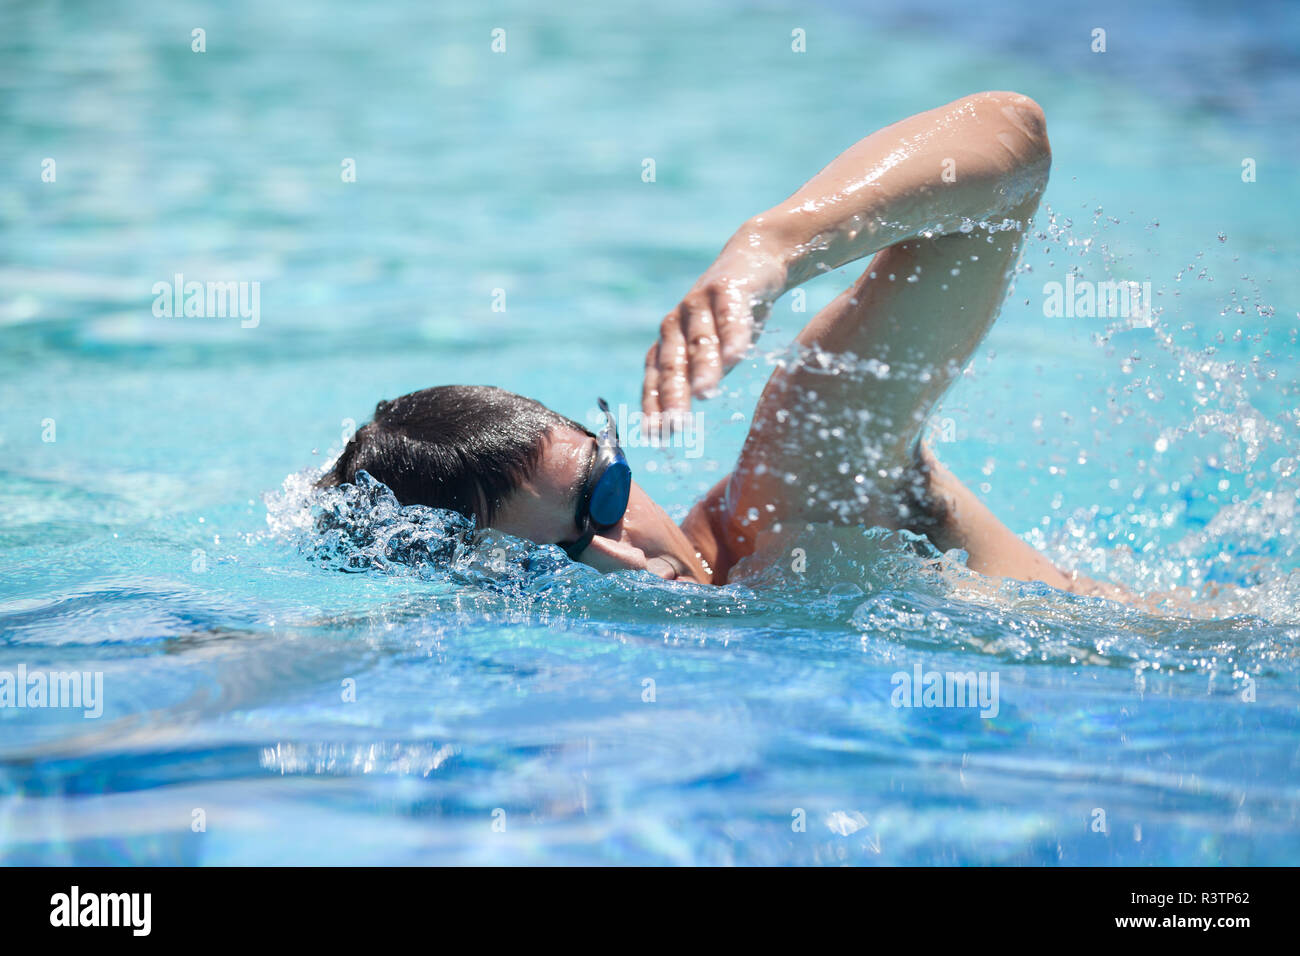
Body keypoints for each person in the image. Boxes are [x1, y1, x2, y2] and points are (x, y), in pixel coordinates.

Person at [320, 90, 1124, 598]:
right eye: (556, 562)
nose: (627, 554)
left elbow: (1014, 143)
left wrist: (771, 245)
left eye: (603, 497)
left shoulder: (794, 495)